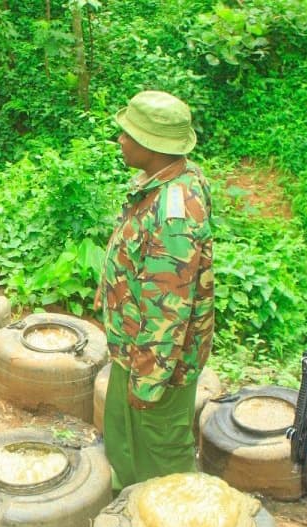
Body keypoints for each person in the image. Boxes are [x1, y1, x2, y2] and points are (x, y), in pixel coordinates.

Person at [96, 90, 214, 489]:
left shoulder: (173, 215)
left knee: (163, 458)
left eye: (128, 134)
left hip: (158, 364)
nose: (121, 141)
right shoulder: (161, 182)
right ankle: (125, 508)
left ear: (152, 146)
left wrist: (148, 382)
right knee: (124, 440)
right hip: (133, 349)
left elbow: (169, 311)